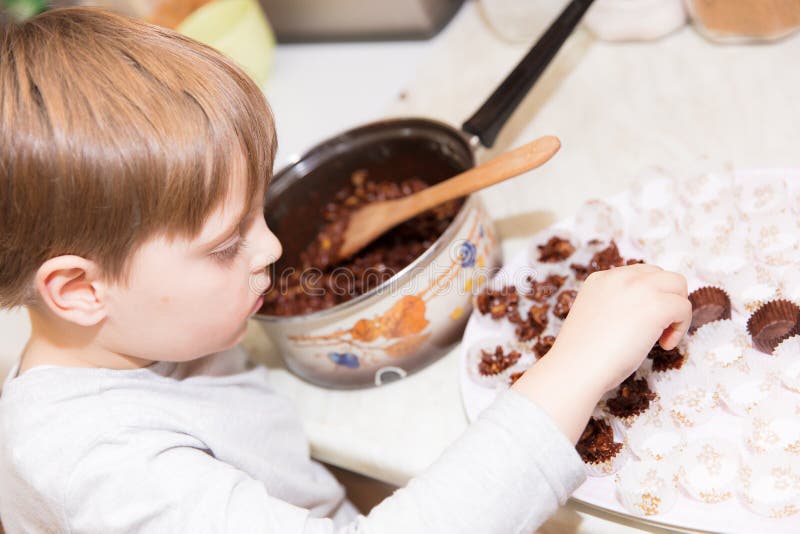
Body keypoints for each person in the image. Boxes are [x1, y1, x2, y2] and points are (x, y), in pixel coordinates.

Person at [0, 7, 692, 533]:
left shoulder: (138, 331)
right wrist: (577, 363)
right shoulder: (102, 471)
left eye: (258, 211)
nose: (271, 250)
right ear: (81, 289)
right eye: (224, 245)